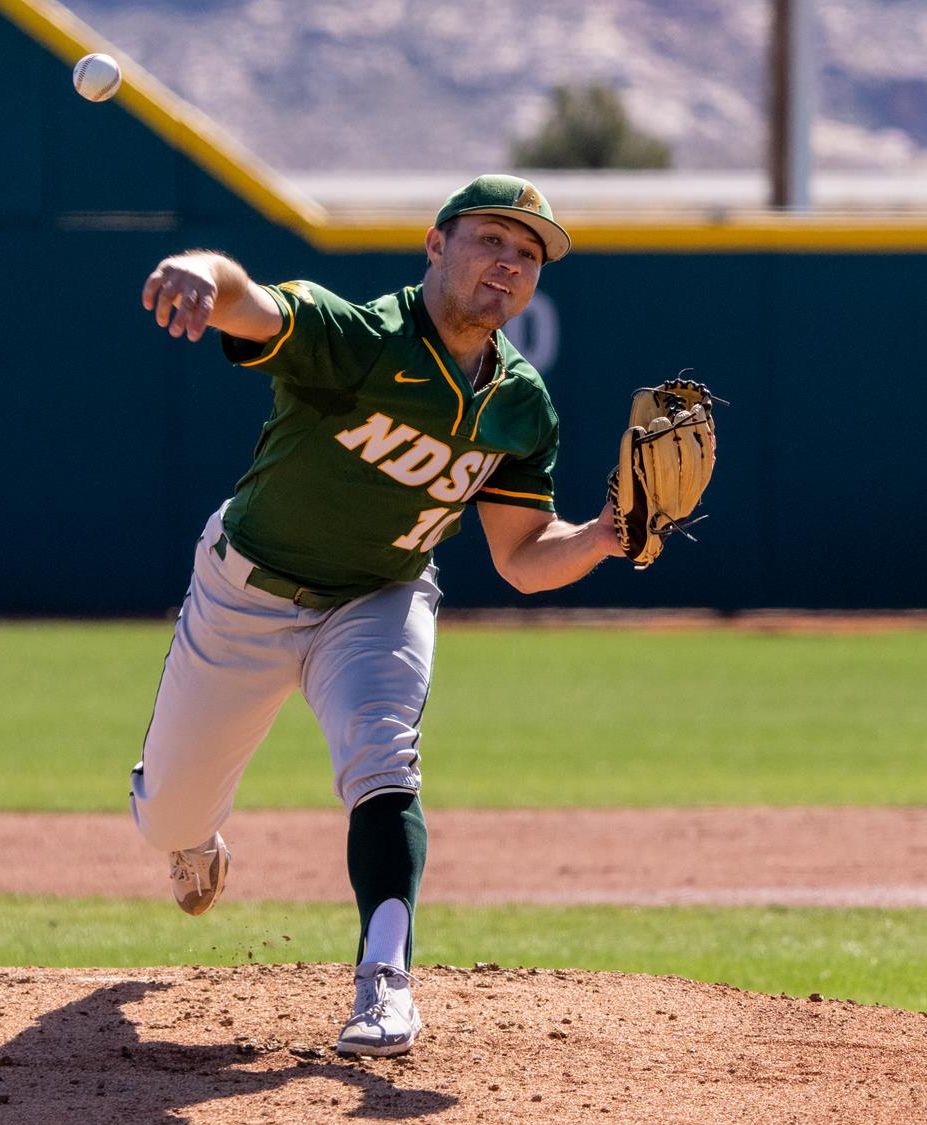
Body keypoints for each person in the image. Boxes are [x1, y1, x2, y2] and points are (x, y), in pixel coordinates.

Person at [130, 175, 621, 1058]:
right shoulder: (356, 338)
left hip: (380, 597)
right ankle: (192, 838)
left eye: (528, 253)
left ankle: (384, 980)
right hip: (246, 593)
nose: (507, 263)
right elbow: (256, 304)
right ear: (436, 245)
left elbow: (519, 555)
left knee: (383, 752)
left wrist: (601, 536)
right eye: (489, 240)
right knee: (168, 814)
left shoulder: (520, 404)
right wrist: (195, 267)